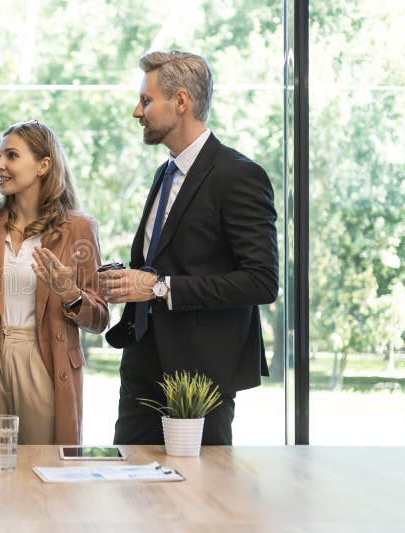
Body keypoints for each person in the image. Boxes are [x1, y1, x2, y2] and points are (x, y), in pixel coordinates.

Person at [99, 50, 278, 445]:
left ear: (181, 102)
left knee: (200, 498)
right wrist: (120, 279)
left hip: (201, 378)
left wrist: (160, 288)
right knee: (130, 490)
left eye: (145, 101)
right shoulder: (164, 173)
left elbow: (261, 281)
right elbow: (160, 261)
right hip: (142, 368)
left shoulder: (239, 175)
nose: (136, 112)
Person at [0, 120, 109, 445]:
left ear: (43, 165)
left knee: (43, 466)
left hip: (45, 360)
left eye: (11, 156)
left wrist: (71, 294)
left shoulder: (79, 228)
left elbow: (100, 318)